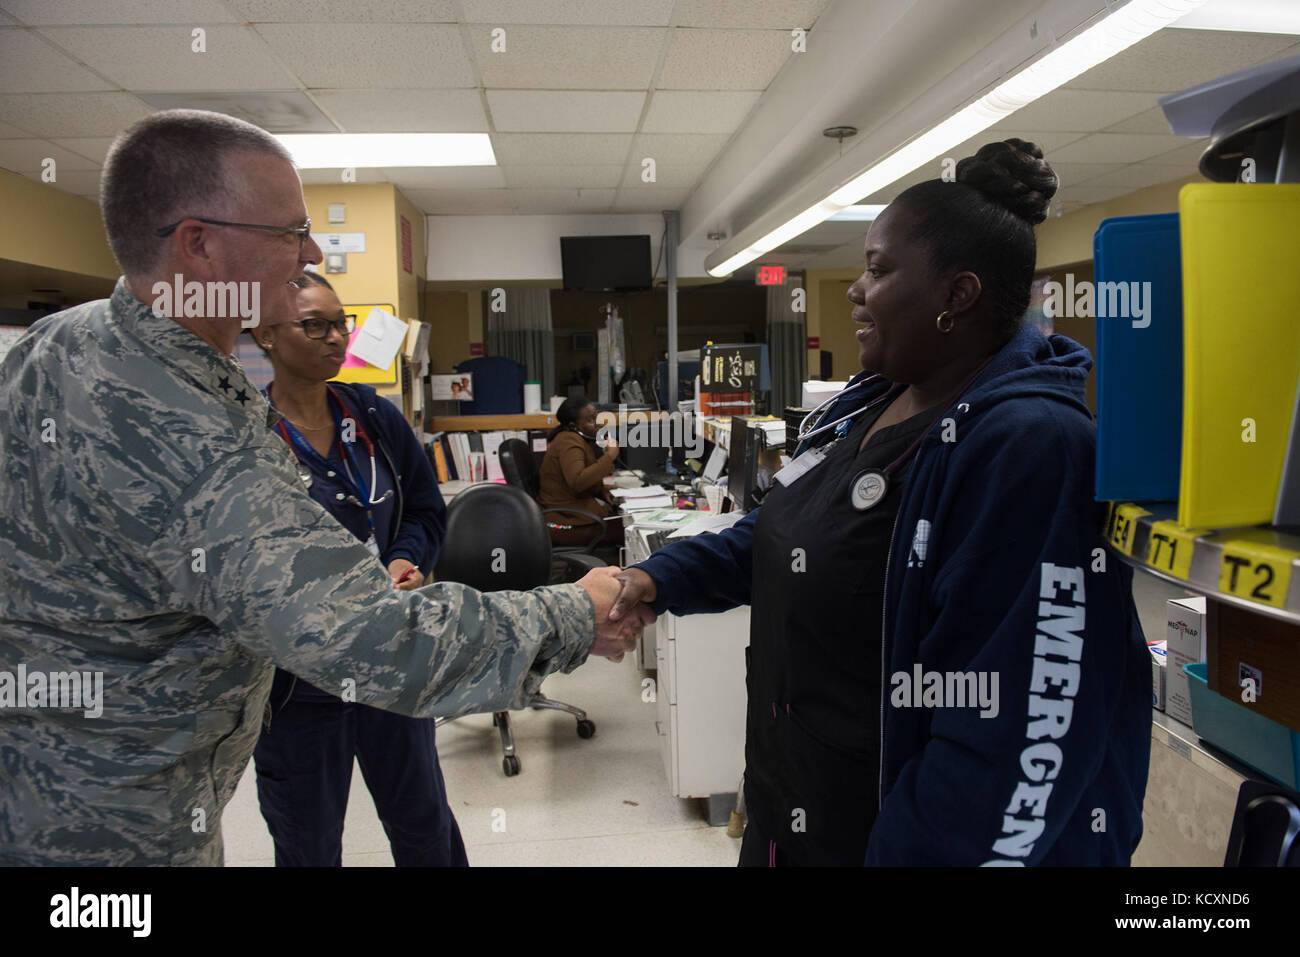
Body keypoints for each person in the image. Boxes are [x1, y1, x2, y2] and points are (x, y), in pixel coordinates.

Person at [0, 109, 638, 866]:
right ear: (197, 244)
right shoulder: (194, 439)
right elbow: (377, 641)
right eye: (287, 232)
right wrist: (573, 611)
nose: (308, 252)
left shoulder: (57, 345)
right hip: (116, 834)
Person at [608, 139, 1152, 866]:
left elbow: (1010, 736)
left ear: (957, 295)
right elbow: (785, 531)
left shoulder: (1030, 448)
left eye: (878, 268)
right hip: (794, 805)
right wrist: (655, 578)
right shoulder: (870, 403)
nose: (855, 290)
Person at [248, 271, 464, 866]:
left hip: (391, 661)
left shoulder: (373, 418)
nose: (333, 337)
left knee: (424, 826)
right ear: (266, 333)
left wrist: (405, 557)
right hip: (299, 686)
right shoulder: (250, 438)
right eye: (313, 324)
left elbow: (423, 509)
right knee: (308, 843)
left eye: (339, 323)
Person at [539, 396, 625, 549]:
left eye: (597, 417)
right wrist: (610, 455)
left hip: (573, 517)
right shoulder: (568, 442)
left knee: (625, 522)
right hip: (566, 523)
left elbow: (577, 480)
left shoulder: (574, 439)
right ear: (574, 425)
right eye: (591, 420)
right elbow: (578, 482)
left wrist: (601, 491)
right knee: (630, 530)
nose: (598, 423)